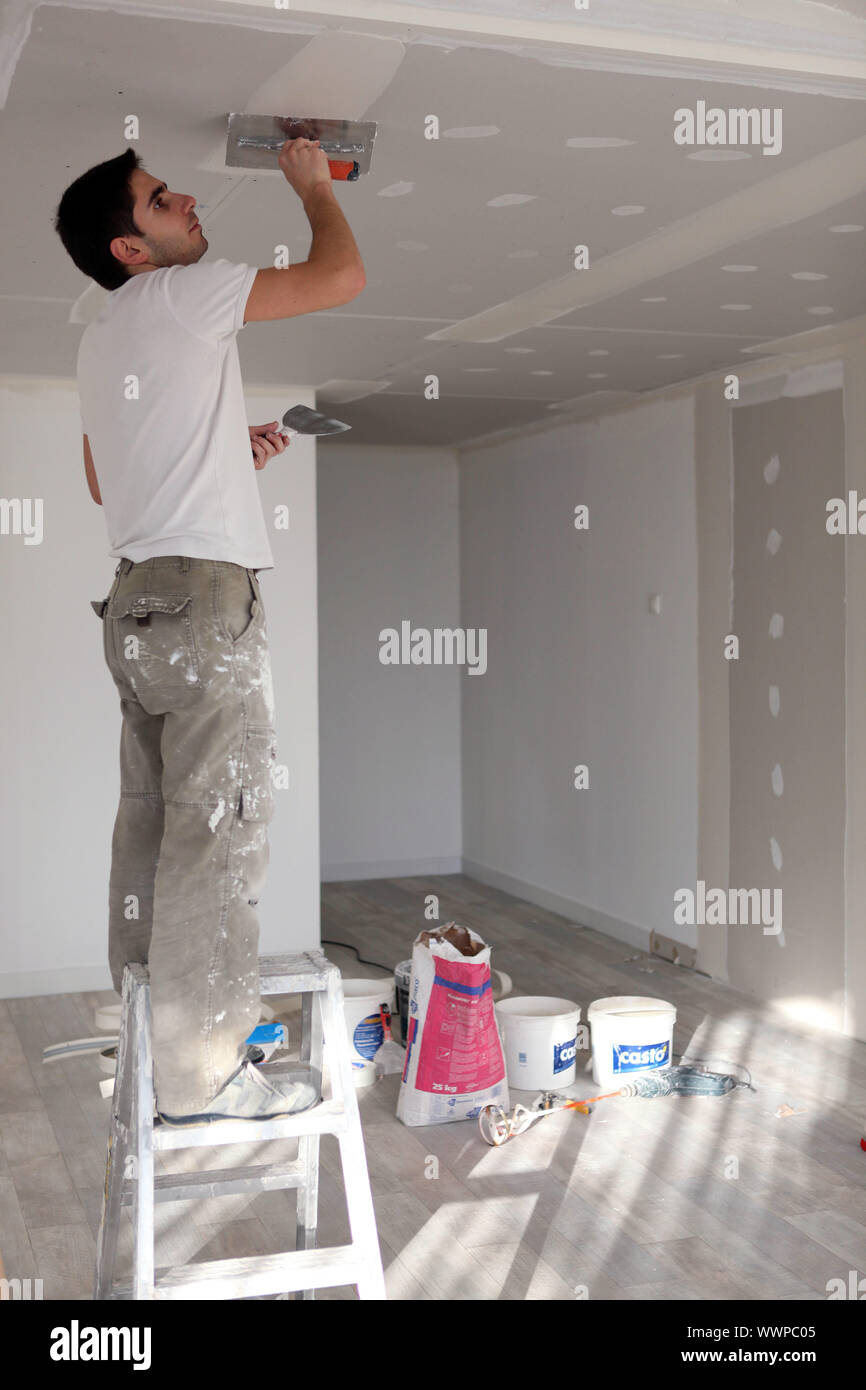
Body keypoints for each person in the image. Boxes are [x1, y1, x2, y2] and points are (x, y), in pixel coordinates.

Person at [54, 139, 365, 1125]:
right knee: (221, 831)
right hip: (198, 599)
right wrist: (311, 185)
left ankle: (152, 1046)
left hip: (141, 598)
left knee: (153, 825)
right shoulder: (184, 296)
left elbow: (109, 480)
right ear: (131, 248)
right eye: (158, 199)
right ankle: (205, 1076)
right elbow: (339, 276)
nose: (184, 199)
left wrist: (225, 458)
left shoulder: (103, 335)